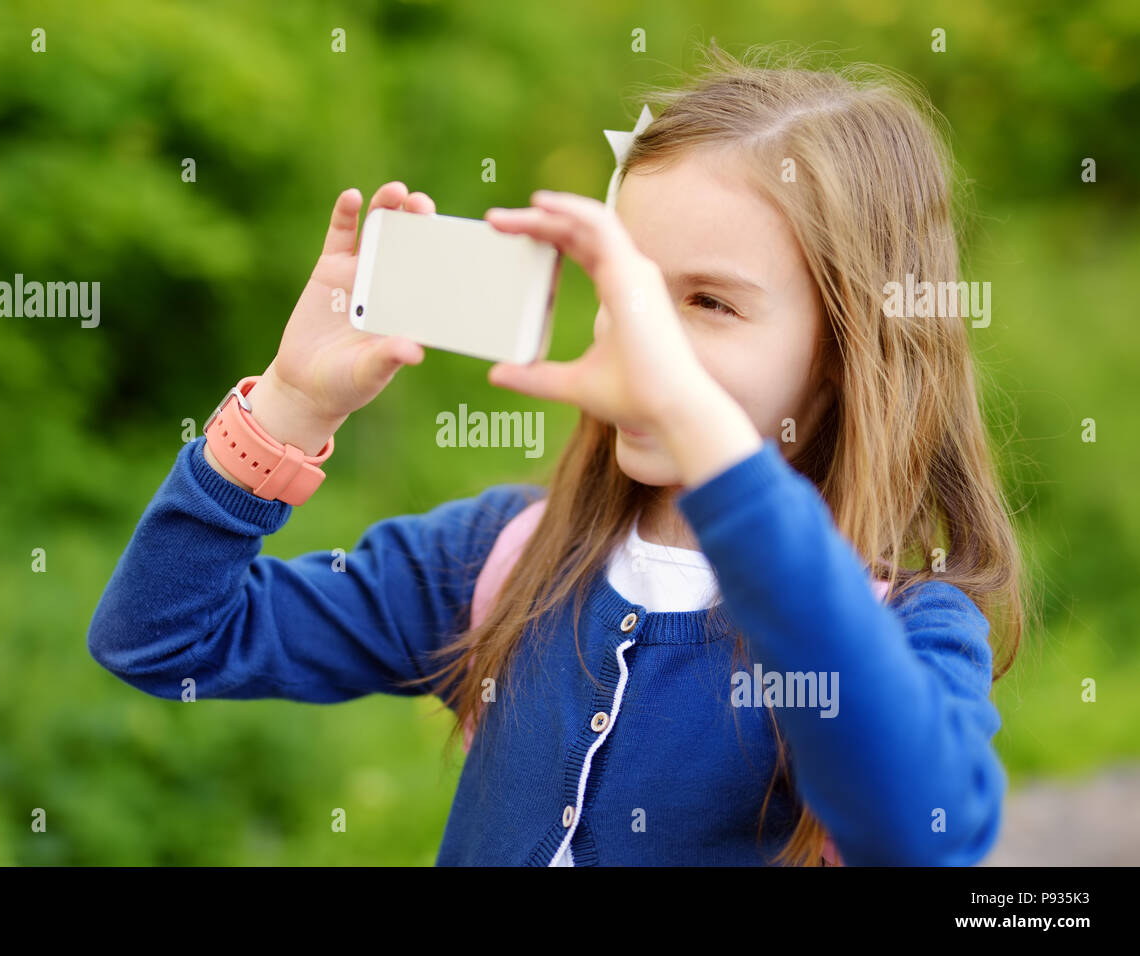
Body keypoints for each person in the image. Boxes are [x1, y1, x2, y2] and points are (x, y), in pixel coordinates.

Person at [88, 44, 1025, 866]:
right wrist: (290, 405)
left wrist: (715, 455)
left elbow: (925, 835)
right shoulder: (500, 557)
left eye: (708, 303)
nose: (642, 339)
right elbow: (162, 638)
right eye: (628, 288)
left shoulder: (907, 630)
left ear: (844, 357)